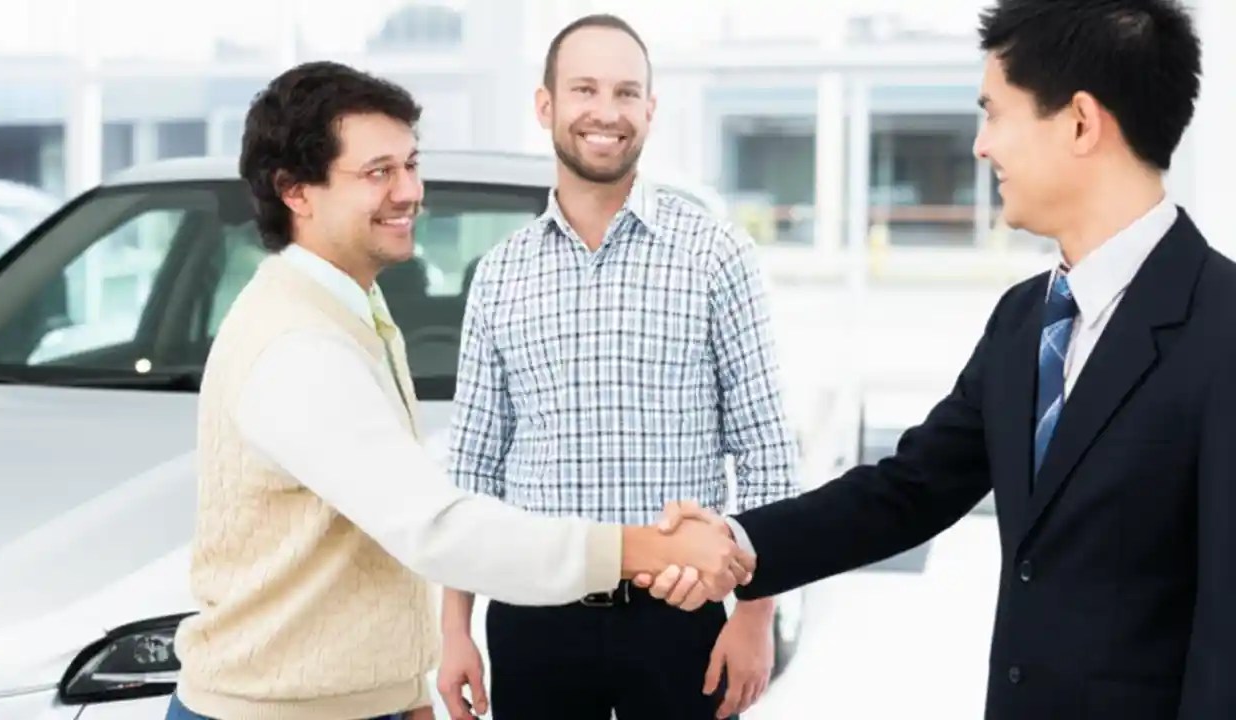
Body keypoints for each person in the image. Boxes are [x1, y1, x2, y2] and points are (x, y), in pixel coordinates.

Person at [645, 0, 1235, 718]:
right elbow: (911, 488)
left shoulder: (1222, 327)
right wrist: (740, 540)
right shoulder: (1027, 317)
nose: (982, 146)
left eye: (995, 112)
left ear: (1081, 122)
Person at [166, 61, 753, 720]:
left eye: (410, 164)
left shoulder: (351, 309)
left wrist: (405, 692)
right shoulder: (298, 347)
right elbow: (439, 528)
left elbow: (364, 542)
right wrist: (650, 547)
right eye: (378, 172)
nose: (410, 191)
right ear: (296, 191)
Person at [437, 13, 801, 720]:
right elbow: (473, 469)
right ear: (546, 106)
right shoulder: (500, 274)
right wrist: (455, 628)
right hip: (532, 614)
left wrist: (755, 617)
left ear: (650, 110)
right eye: (584, 90)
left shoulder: (715, 255)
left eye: (626, 93)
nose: (606, 113)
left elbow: (766, 452)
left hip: (679, 617)